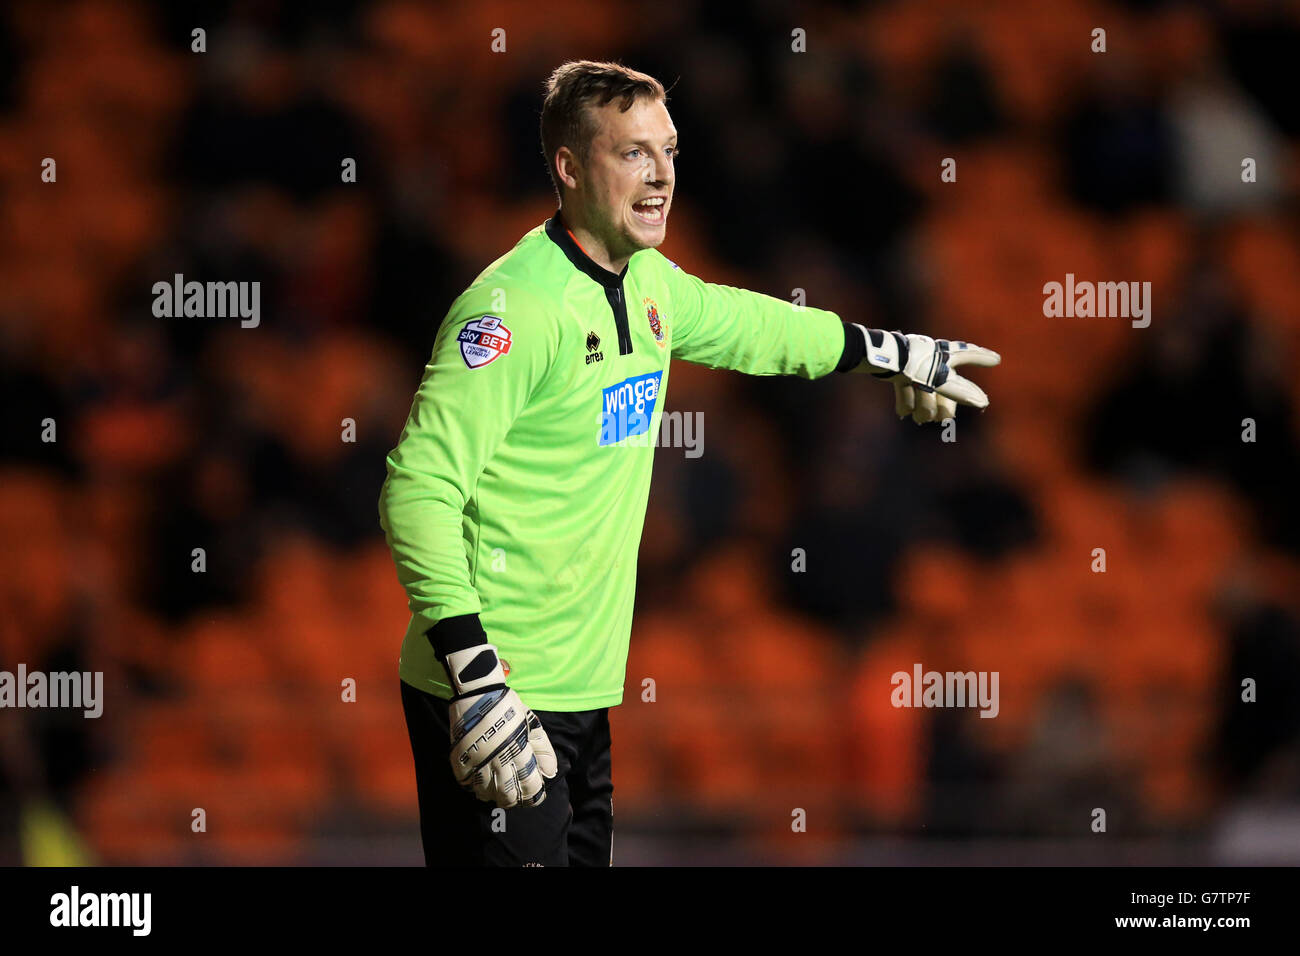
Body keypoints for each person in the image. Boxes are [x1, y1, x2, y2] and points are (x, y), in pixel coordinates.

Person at [379, 60, 1000, 866]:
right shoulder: (513, 311)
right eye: (633, 153)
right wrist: (477, 675)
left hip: (580, 690)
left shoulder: (649, 285)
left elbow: (760, 329)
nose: (662, 174)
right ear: (568, 168)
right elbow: (417, 488)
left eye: (669, 151)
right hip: (495, 691)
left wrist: (893, 351)